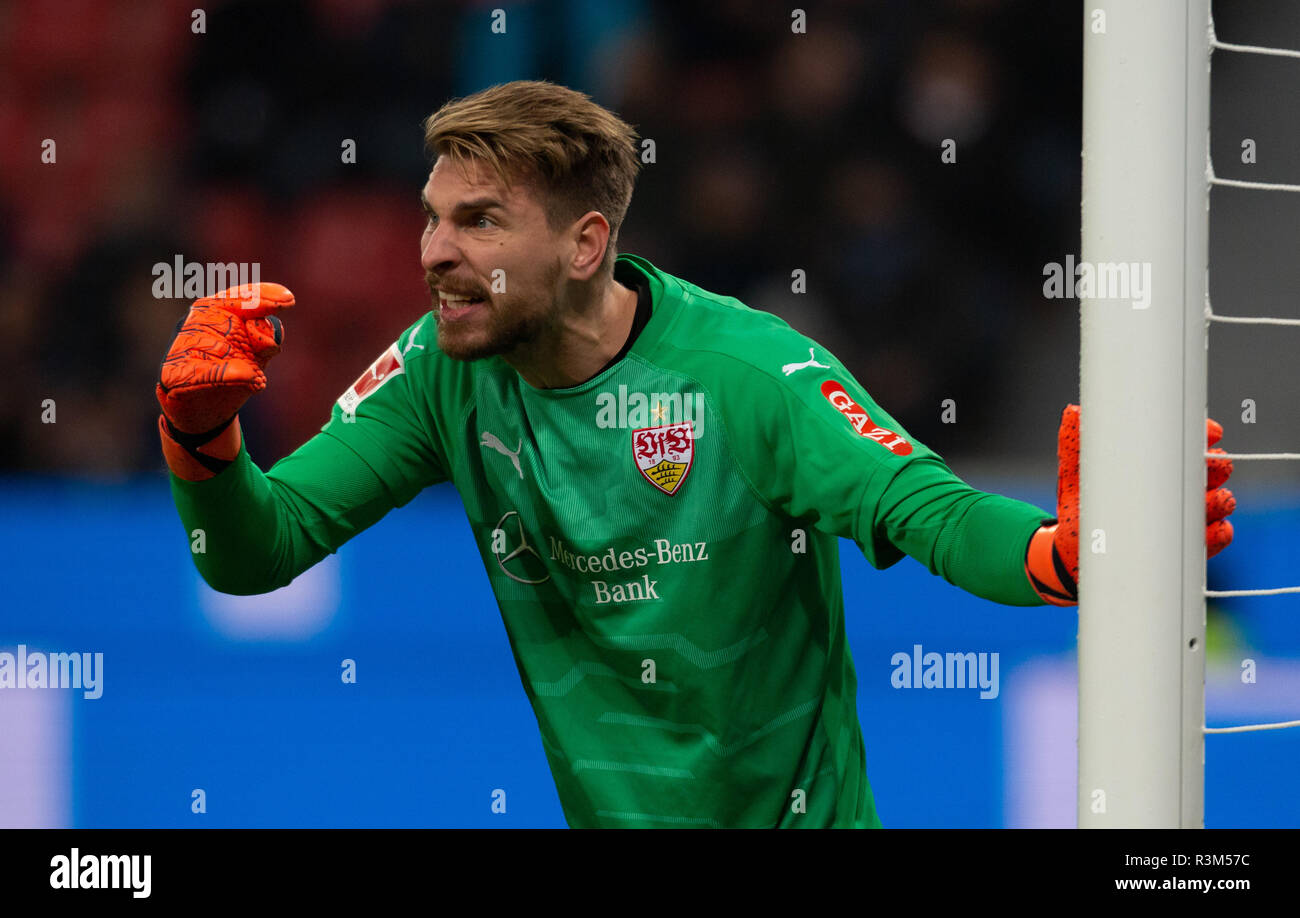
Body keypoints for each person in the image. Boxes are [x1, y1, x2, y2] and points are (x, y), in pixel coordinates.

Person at [155, 80, 1236, 828]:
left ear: (585, 244)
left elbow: (932, 510)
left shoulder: (749, 377)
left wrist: (1057, 554)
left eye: (480, 221)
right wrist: (200, 440)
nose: (436, 251)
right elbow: (254, 553)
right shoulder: (440, 370)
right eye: (433, 218)